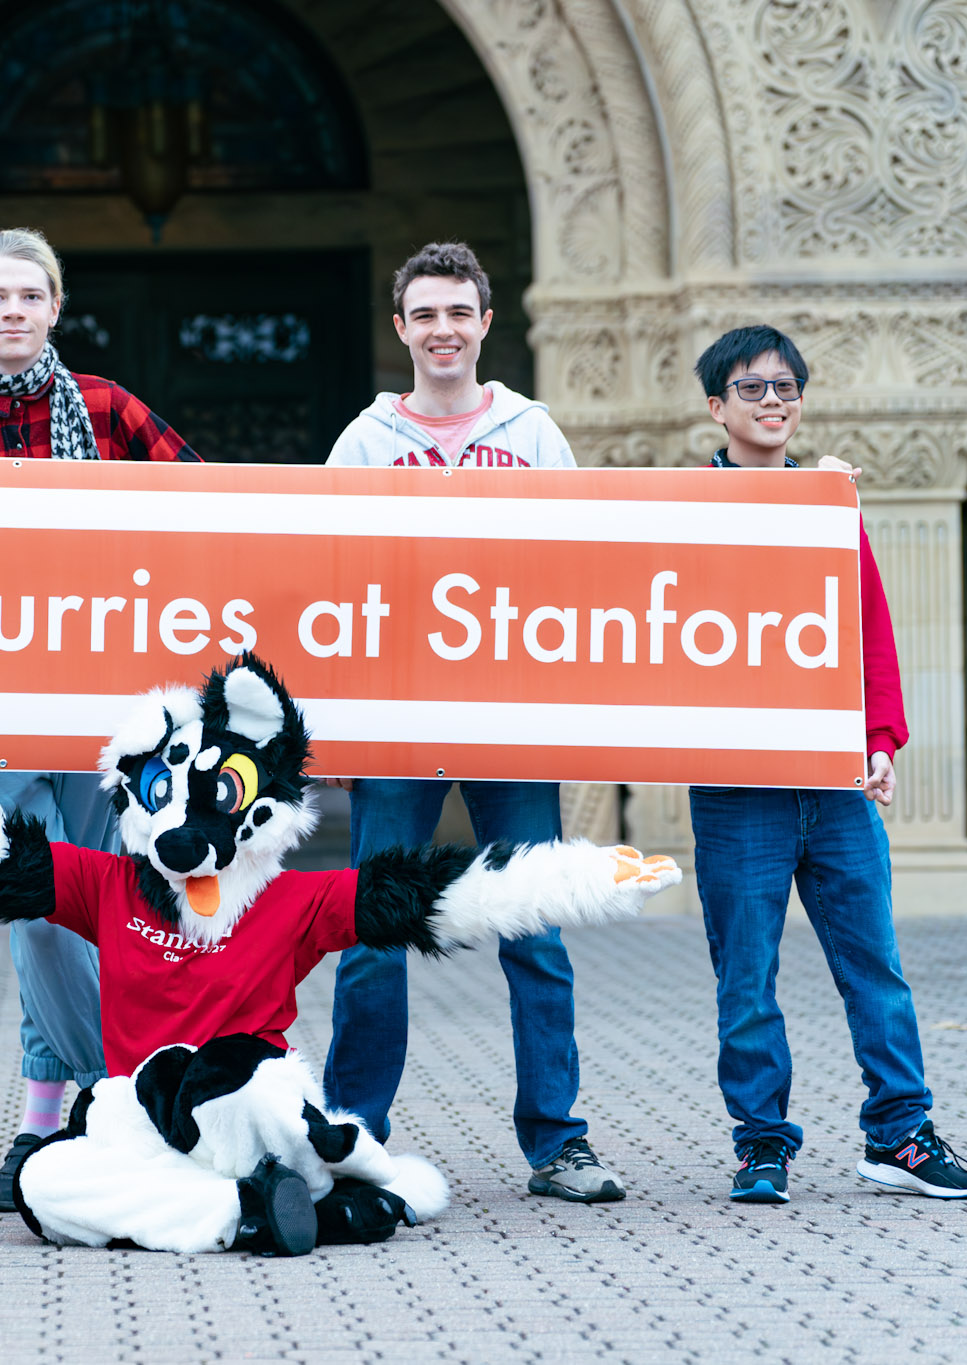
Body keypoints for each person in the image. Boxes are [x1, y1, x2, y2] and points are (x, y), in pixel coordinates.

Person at [0, 227, 202, 1213]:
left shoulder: (109, 410)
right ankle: (117, 1093)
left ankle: (43, 1121)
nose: (14, 311)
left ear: (55, 306)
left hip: (109, 711)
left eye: (31, 295)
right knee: (32, 900)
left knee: (103, 901)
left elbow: (216, 514)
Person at [321, 241, 624, 1203]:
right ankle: (355, 1138)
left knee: (533, 928)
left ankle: (558, 1143)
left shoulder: (533, 433)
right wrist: (331, 728)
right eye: (426, 314)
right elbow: (329, 586)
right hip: (396, 720)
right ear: (401, 327)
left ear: (486, 323)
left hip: (510, 719)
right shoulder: (364, 442)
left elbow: (577, 574)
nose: (443, 330)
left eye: (459, 312)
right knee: (375, 932)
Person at [692, 324, 967, 1203]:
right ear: (716, 407)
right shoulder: (683, 509)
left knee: (875, 968)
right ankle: (761, 1144)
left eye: (786, 387)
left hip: (834, 783)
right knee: (747, 979)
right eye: (752, 388)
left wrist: (881, 741)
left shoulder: (831, 501)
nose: (773, 401)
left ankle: (899, 1134)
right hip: (738, 790)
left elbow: (870, 631)